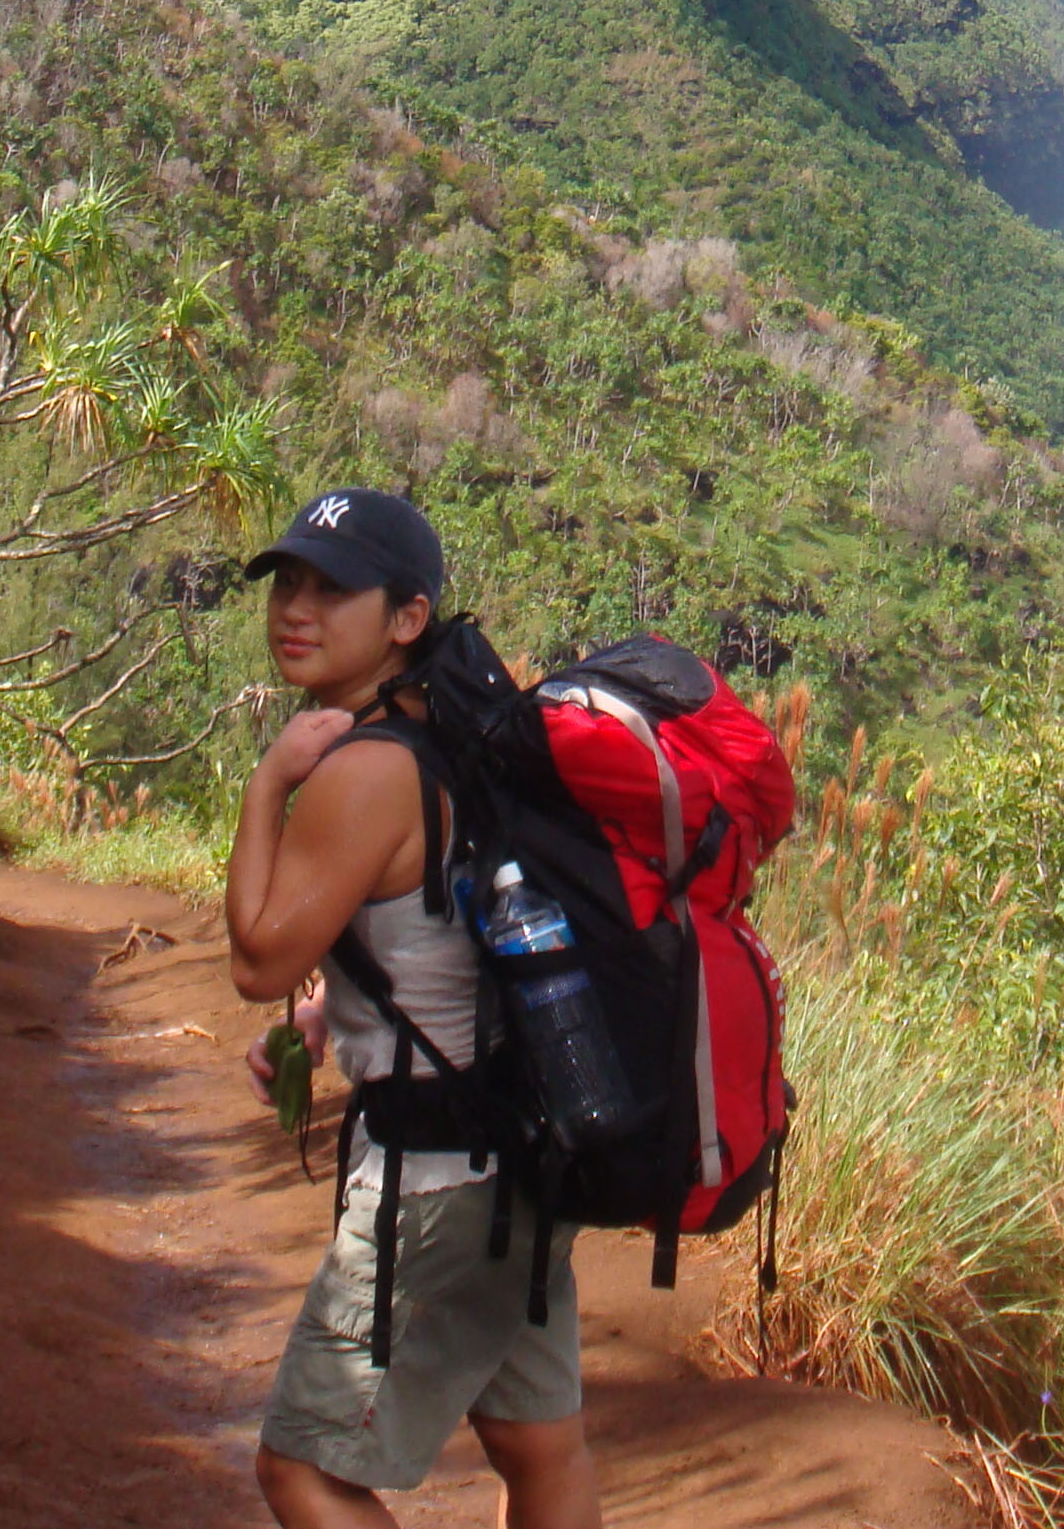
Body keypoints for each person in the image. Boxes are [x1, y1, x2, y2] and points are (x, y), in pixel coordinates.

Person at [221, 486, 601, 1529]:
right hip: (520, 1157)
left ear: (406, 617)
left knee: (302, 1471)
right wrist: (329, 1018)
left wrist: (270, 783)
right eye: (287, 582)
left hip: (433, 1190)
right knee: (542, 1450)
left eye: (333, 589)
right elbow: (454, 923)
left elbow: (257, 955)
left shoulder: (364, 769)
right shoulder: (462, 733)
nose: (296, 607)